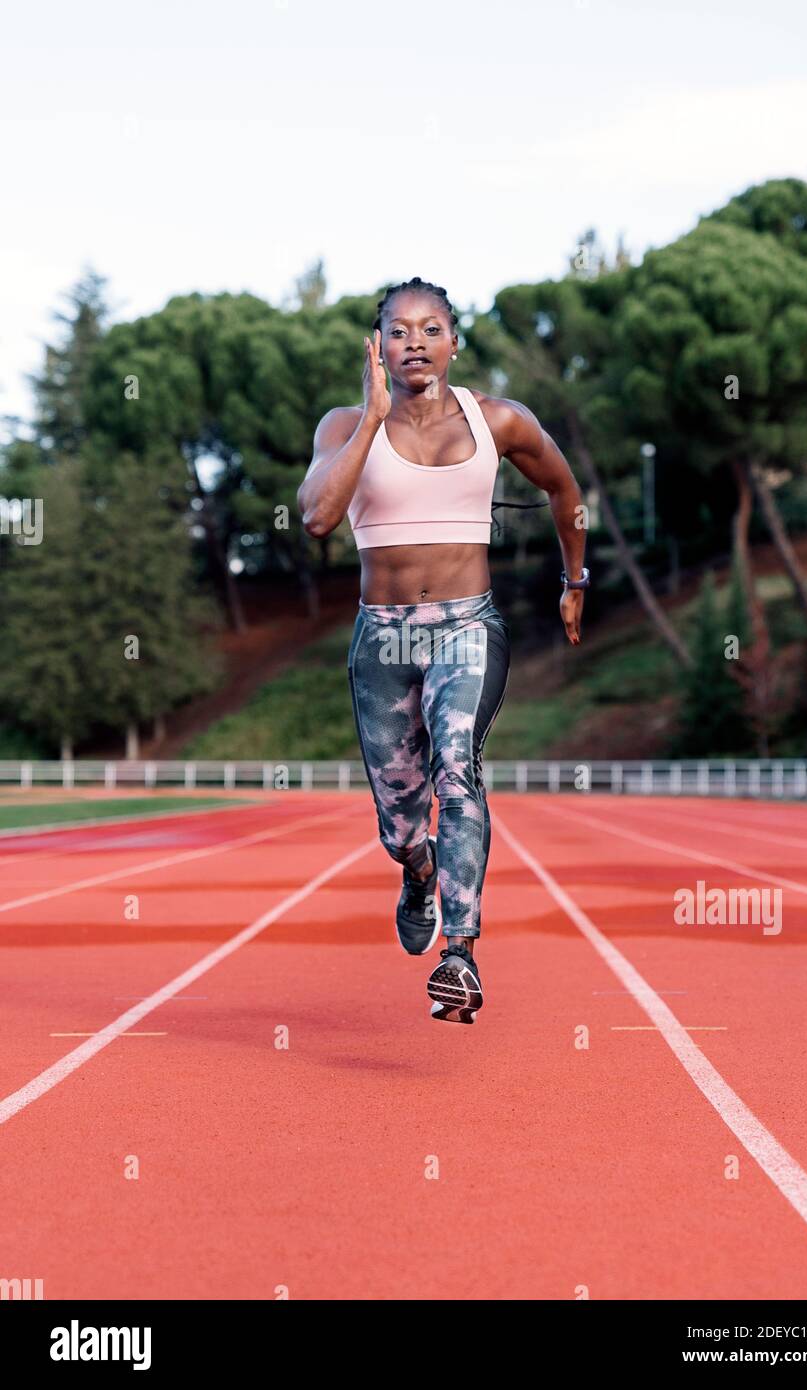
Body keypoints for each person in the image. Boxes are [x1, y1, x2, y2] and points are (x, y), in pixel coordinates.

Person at [298, 277, 588, 1023]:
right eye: (399, 331)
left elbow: (565, 491)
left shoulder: (499, 420)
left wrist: (574, 578)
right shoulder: (342, 425)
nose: (415, 343)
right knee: (399, 824)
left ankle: (459, 954)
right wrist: (370, 421)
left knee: (456, 767)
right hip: (381, 637)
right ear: (379, 347)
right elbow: (317, 519)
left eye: (431, 329)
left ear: (454, 342)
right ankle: (417, 870)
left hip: (466, 625)